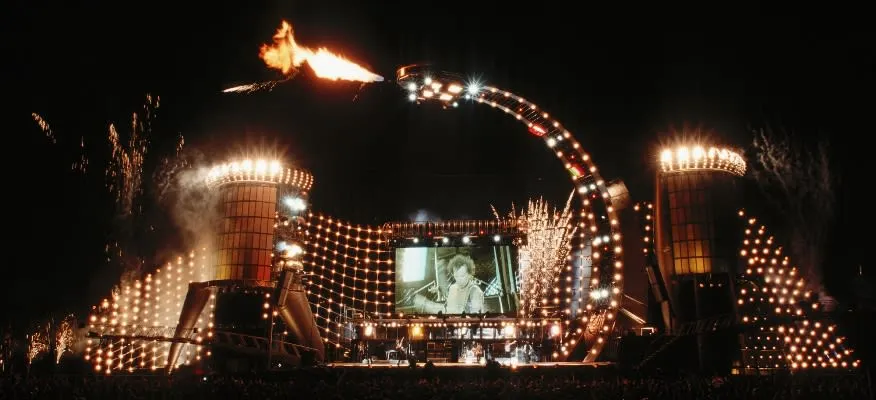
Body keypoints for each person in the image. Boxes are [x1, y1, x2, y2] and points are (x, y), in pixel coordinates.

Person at [411, 254, 485, 314]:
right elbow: (448, 308)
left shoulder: (475, 291)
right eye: (456, 276)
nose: (459, 279)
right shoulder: (453, 288)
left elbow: (463, 314)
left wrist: (427, 305)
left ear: (469, 274)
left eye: (462, 276)